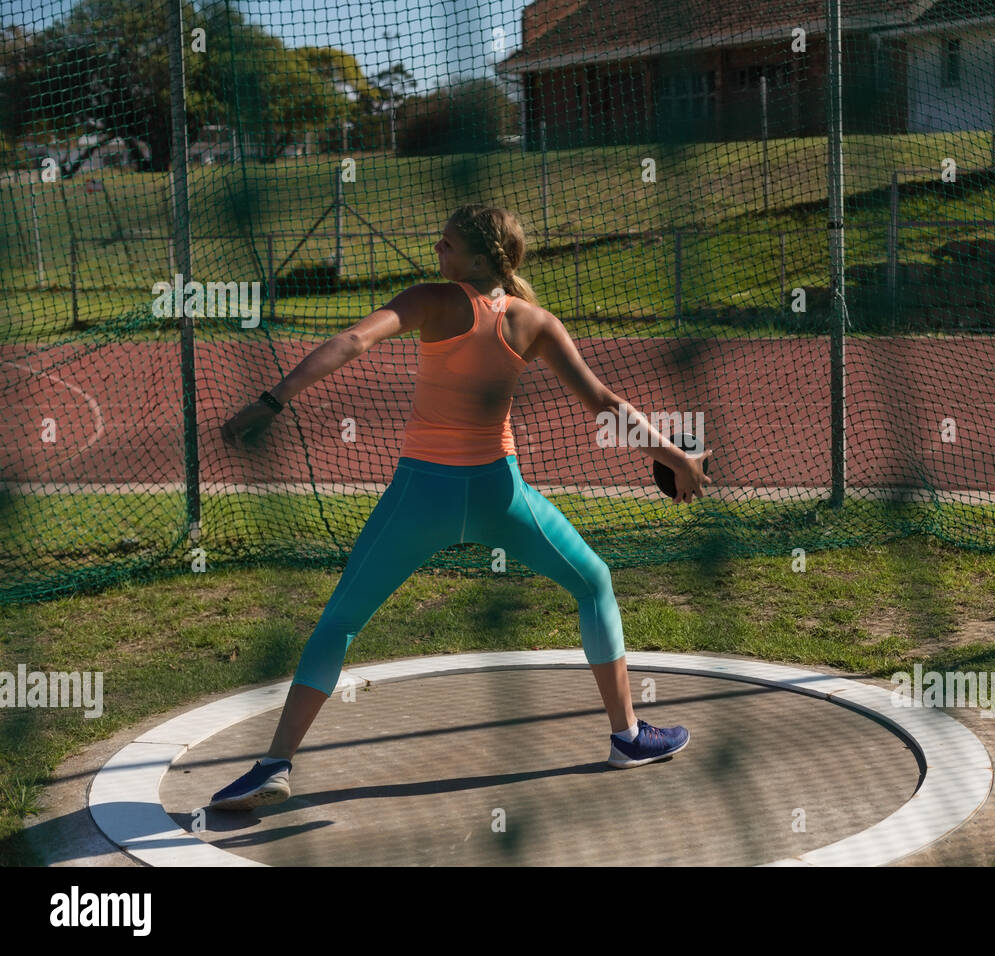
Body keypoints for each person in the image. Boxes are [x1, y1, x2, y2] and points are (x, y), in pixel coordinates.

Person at [209, 204, 712, 810]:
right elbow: (605, 403)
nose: (436, 251)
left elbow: (351, 340)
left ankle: (275, 763)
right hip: (502, 496)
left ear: (477, 258)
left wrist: (273, 399)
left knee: (339, 622)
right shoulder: (534, 322)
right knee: (594, 582)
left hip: (423, 496)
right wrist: (675, 458)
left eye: (446, 245)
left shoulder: (431, 300)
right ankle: (627, 736)